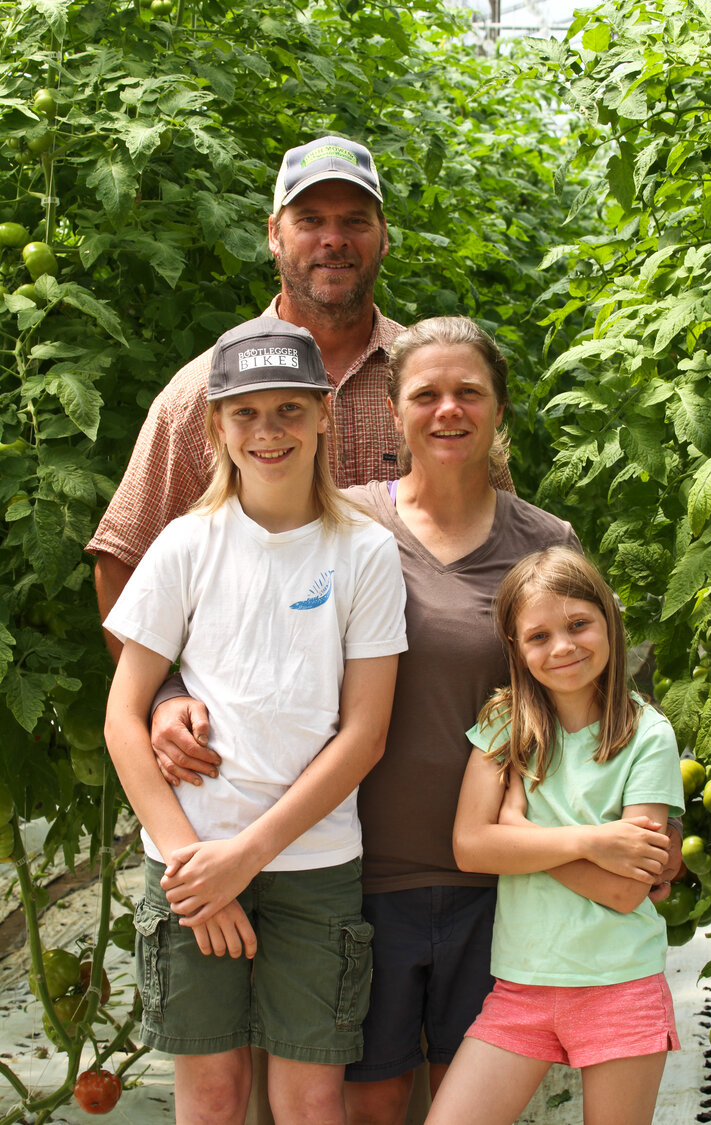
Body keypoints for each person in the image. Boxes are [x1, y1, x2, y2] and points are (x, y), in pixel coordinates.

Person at [151, 318, 682, 1125]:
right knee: (366, 1097)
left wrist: (642, 815)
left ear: (499, 407)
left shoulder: (544, 543)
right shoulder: (350, 530)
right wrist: (167, 698)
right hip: (365, 871)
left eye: (469, 392)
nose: (448, 410)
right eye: (425, 394)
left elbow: (590, 695)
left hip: (505, 881)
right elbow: (239, 628)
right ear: (391, 411)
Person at [102, 317, 408, 1125]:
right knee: (210, 1094)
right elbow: (124, 719)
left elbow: (365, 733)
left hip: (315, 865)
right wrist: (194, 863)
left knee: (310, 1097)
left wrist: (249, 855)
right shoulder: (185, 546)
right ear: (217, 428)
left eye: (288, 410)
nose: (268, 432)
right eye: (245, 413)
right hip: (190, 866)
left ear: (322, 417)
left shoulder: (365, 553)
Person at [86, 133, 517, 663]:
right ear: (274, 235)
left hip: (425, 721)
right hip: (257, 725)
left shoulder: (428, 387)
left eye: (355, 220)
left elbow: (506, 543)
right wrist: (162, 698)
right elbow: (122, 558)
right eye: (310, 220)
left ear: (383, 237)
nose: (333, 239)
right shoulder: (206, 391)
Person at [425, 546, 684, 1125]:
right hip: (522, 987)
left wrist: (520, 830)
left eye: (578, 624)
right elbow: (471, 847)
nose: (563, 647)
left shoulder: (648, 735)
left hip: (620, 985)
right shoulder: (504, 724)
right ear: (515, 650)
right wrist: (591, 842)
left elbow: (625, 891)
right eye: (538, 636)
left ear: (609, 624)